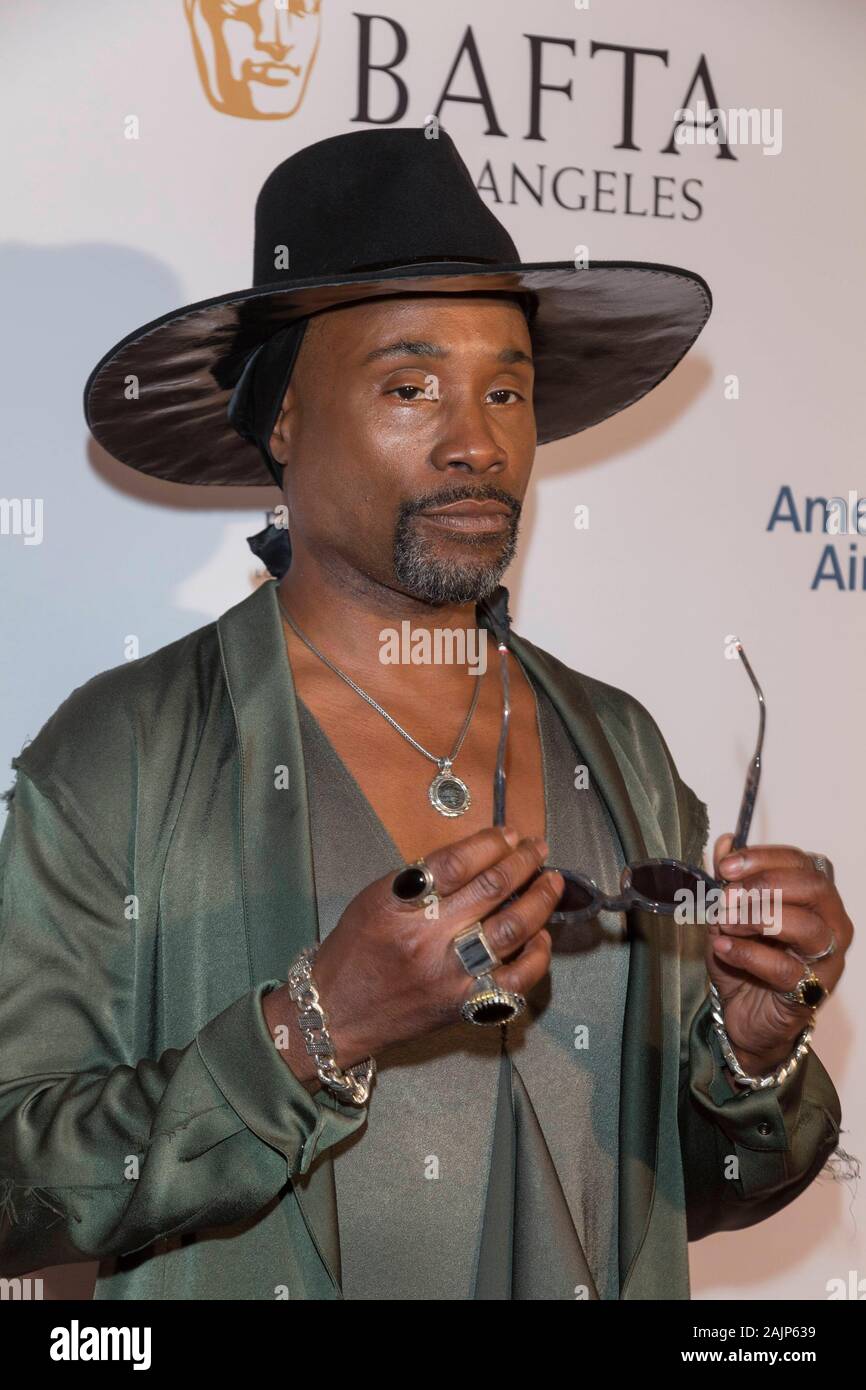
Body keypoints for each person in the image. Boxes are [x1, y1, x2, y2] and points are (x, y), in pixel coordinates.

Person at [0, 126, 851, 1301]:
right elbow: (13, 1183)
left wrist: (747, 1054)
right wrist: (315, 1029)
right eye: (410, 385)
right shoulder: (123, 751)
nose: (478, 439)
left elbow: (690, 1188)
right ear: (283, 421)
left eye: (506, 388)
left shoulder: (621, 748)